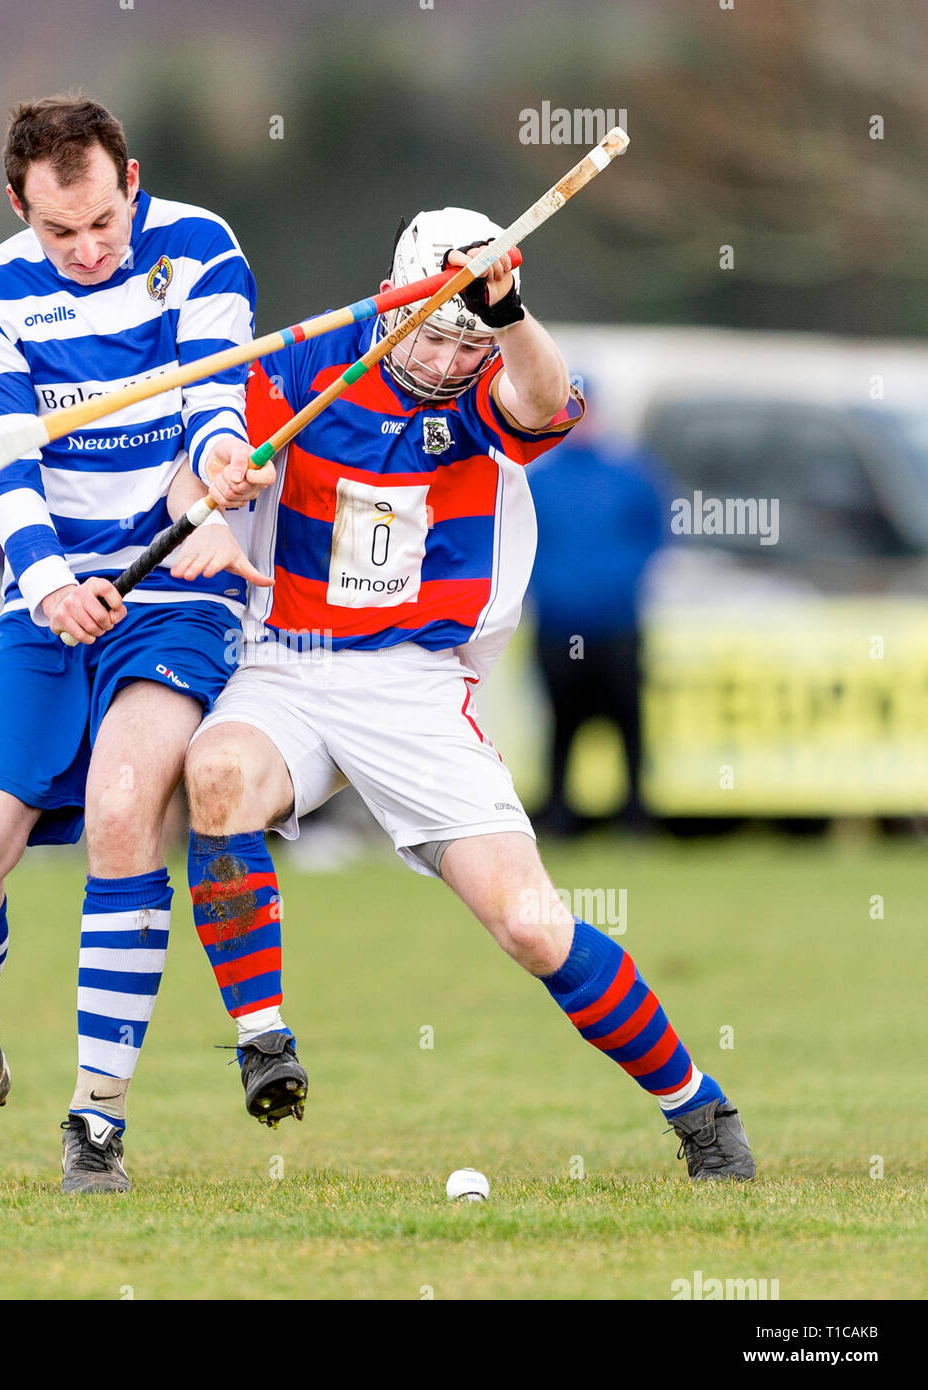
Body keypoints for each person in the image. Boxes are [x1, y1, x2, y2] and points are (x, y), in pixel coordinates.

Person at [183, 209, 755, 1180]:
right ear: (397, 297)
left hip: (413, 683)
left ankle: (697, 1109)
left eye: (468, 340)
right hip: (287, 657)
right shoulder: (305, 359)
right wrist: (216, 475)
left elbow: (545, 398)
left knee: (531, 925)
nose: (450, 359)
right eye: (435, 334)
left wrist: (509, 314)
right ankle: (264, 1039)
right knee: (217, 774)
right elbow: (217, 434)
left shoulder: (495, 378)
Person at [0, 94, 270, 1196]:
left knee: (124, 809)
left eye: (102, 224)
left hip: (178, 595)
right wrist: (45, 585)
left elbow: (214, 405)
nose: (88, 253)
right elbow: (5, 461)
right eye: (60, 234)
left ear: (129, 180)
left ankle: (96, 1118)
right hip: (47, 607)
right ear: (18, 207)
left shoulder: (199, 248)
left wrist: (219, 469)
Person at [526, 392, 668, 835]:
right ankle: (559, 815)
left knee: (628, 718)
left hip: (617, 624)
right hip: (557, 623)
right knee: (561, 721)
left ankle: (635, 815)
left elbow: (655, 534)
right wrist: (545, 586)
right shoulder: (538, 477)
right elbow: (519, 541)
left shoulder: (629, 473)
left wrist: (625, 578)